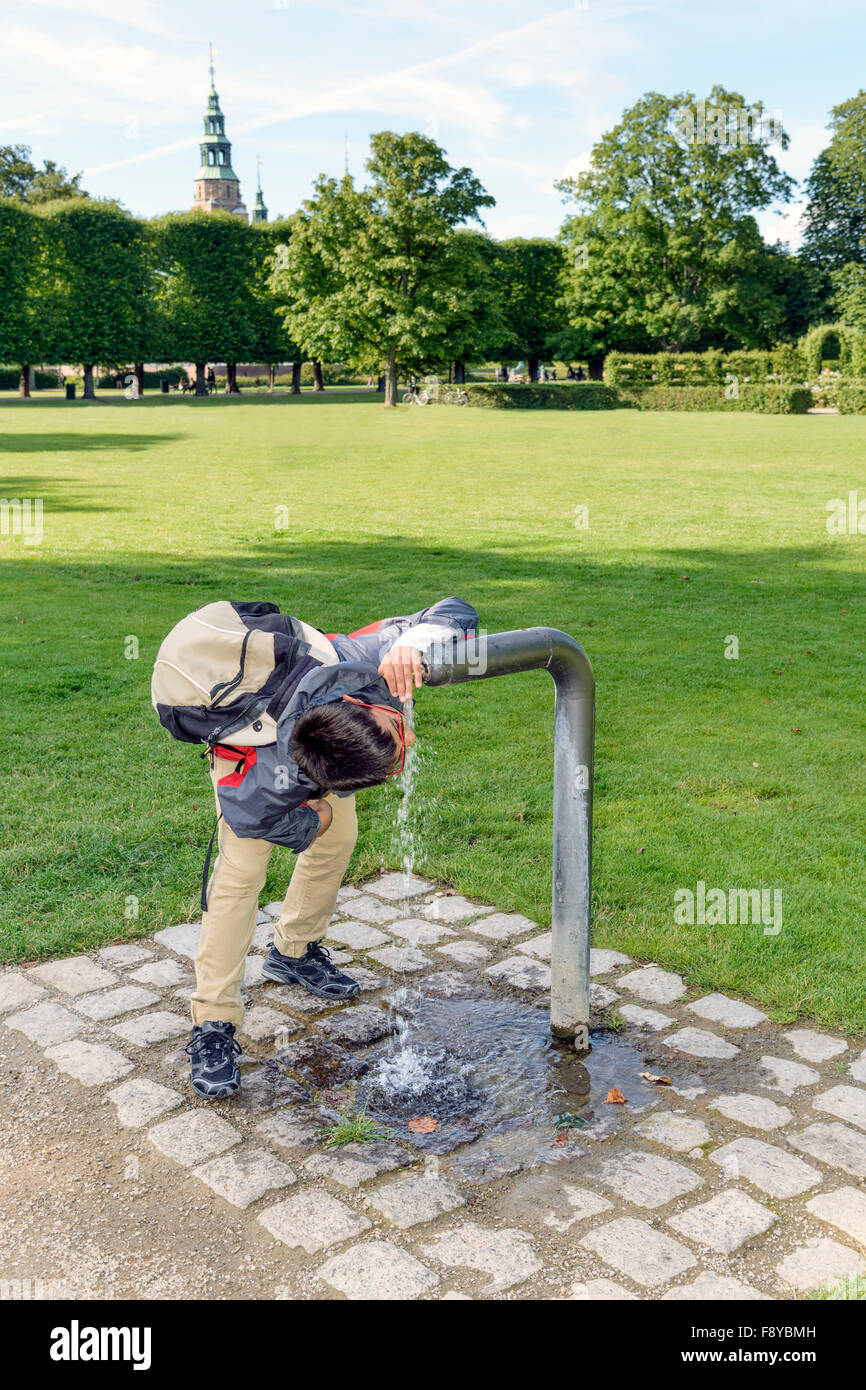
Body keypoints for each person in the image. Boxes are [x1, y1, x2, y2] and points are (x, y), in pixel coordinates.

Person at [152, 596, 479, 1098]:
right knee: (241, 875)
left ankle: (294, 951)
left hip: (316, 724)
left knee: (340, 837)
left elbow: (456, 610)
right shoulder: (265, 781)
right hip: (246, 738)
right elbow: (256, 816)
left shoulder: (356, 660)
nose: (409, 735)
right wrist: (315, 816)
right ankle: (212, 1024)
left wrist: (413, 644)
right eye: (400, 731)